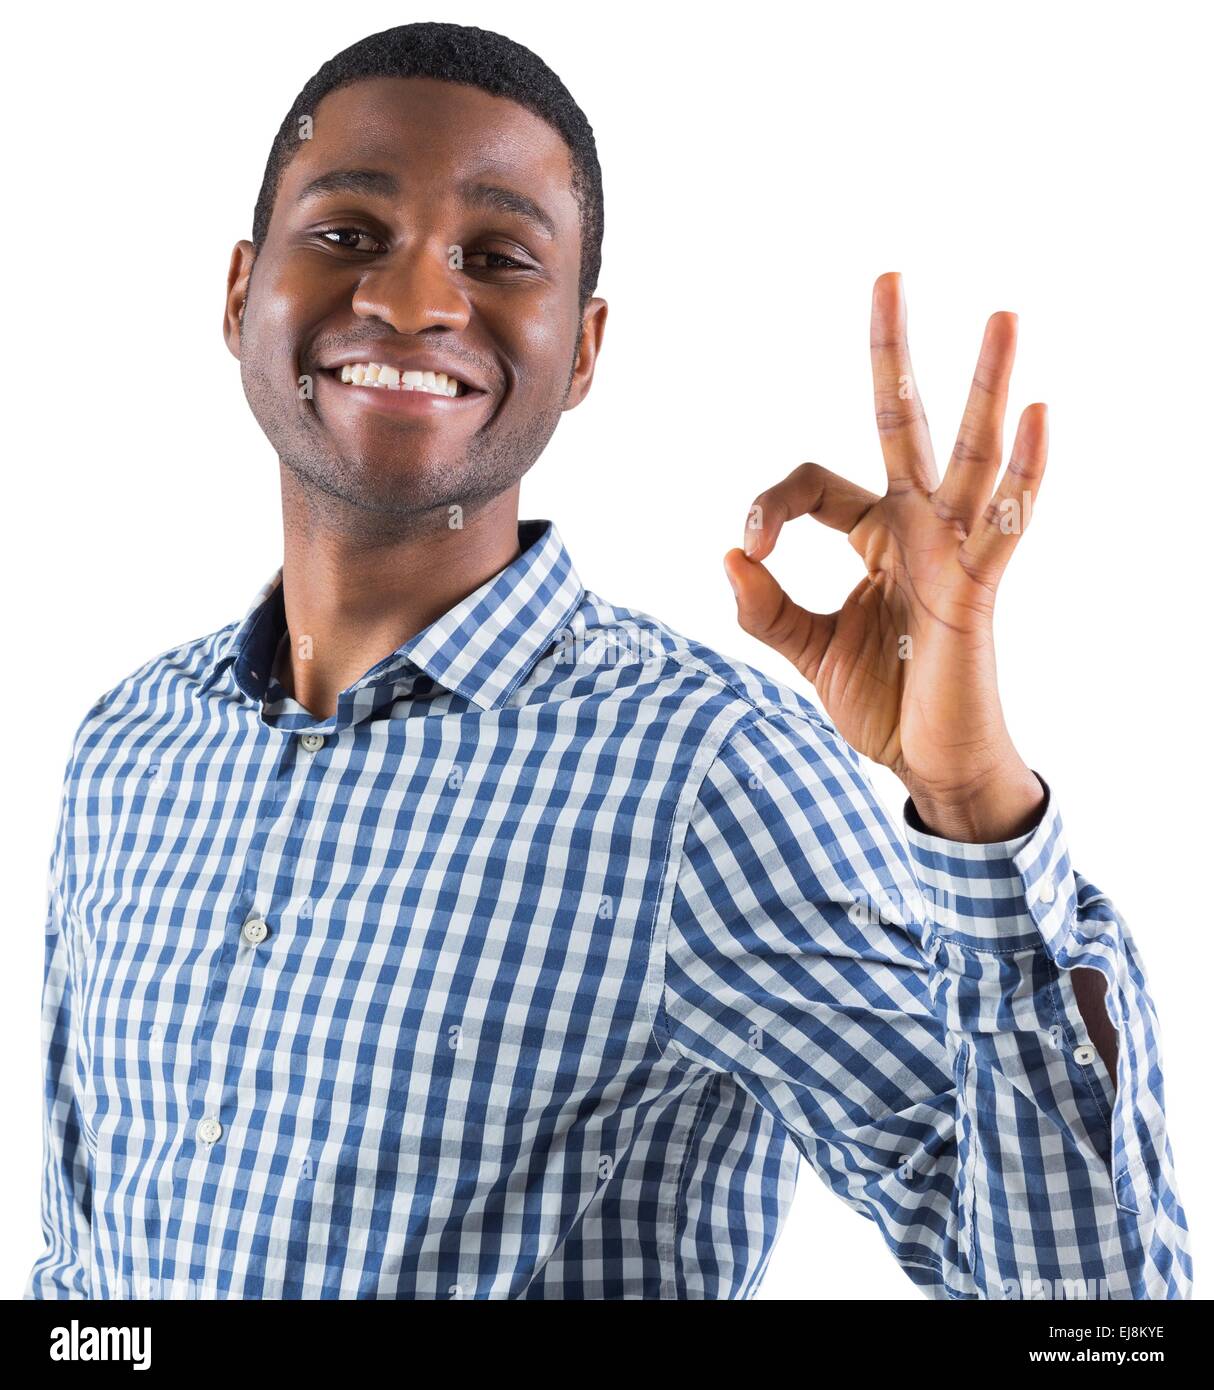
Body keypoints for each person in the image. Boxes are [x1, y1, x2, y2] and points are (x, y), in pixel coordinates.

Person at [26, 21, 1190, 1301]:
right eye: (348, 234)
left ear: (581, 350)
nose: (411, 300)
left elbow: (1091, 1317)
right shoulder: (129, 749)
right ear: (240, 292)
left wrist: (972, 807)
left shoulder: (704, 775)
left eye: (496, 255)